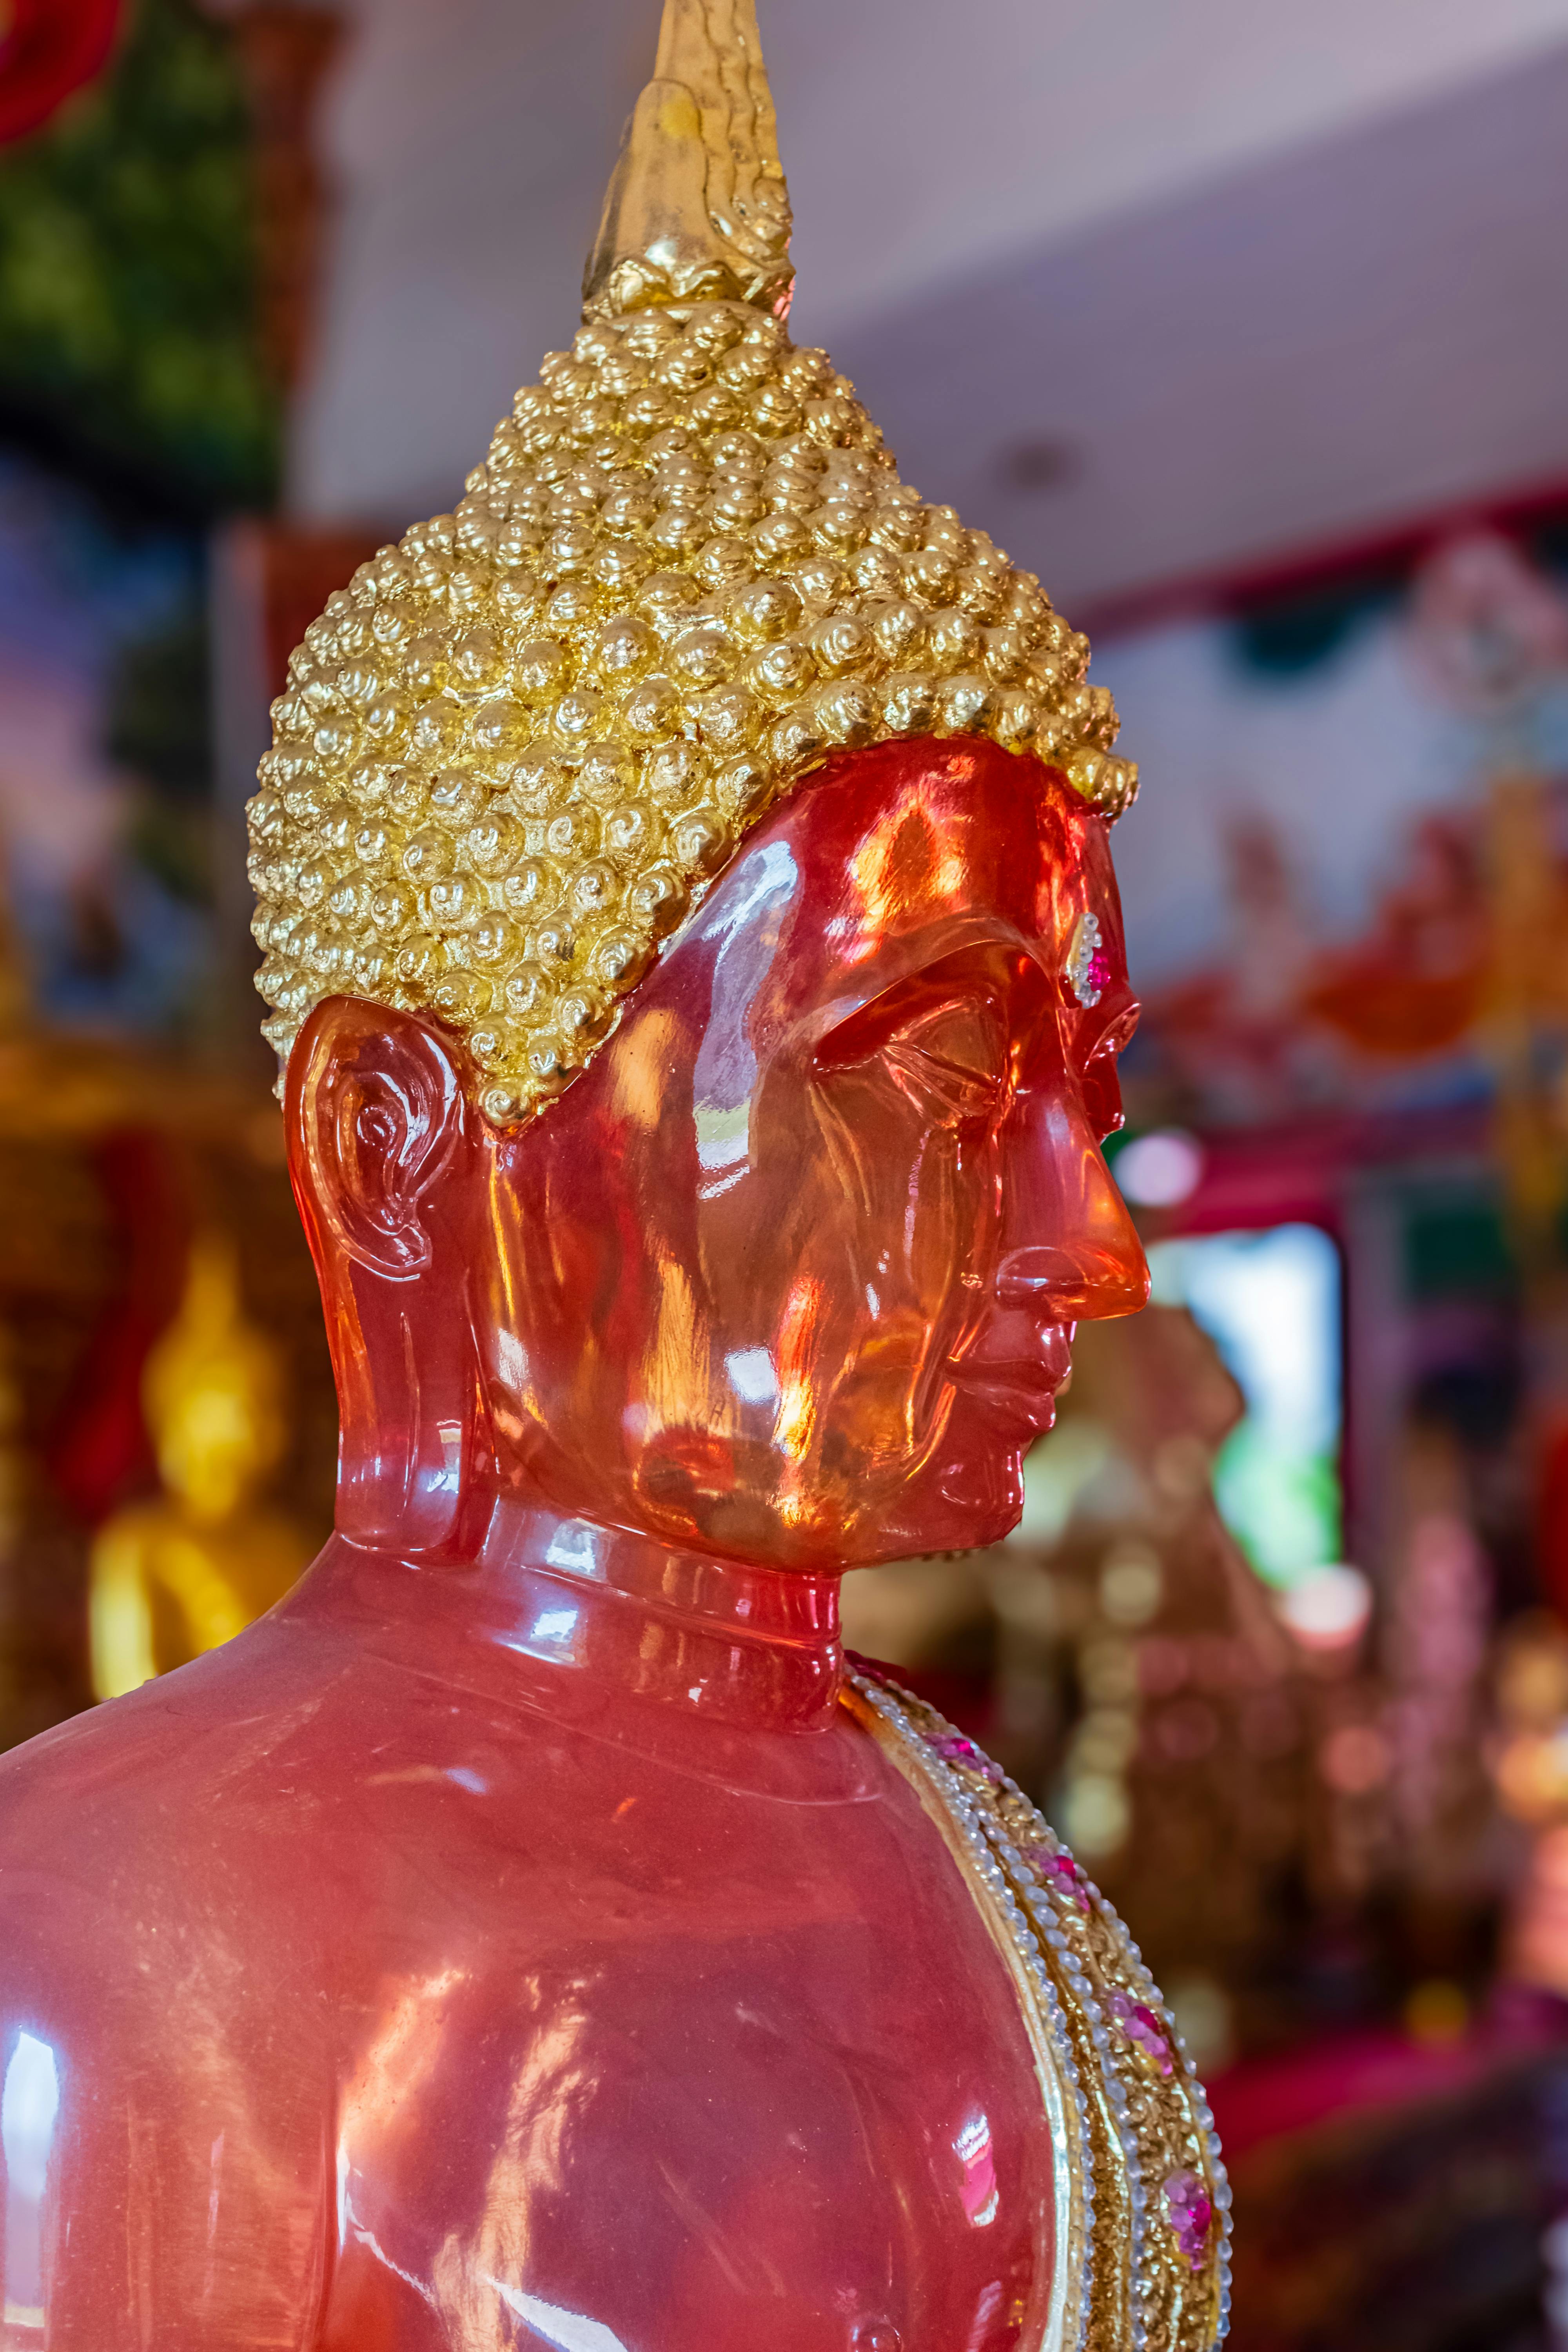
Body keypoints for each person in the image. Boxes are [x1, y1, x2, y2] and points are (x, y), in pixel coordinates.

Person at [0, 5, 1228, 2344]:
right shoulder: (115, 1954)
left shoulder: (966, 1854)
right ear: (399, 1148)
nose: (1100, 1240)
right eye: (949, 1078)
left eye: (1088, 1089)